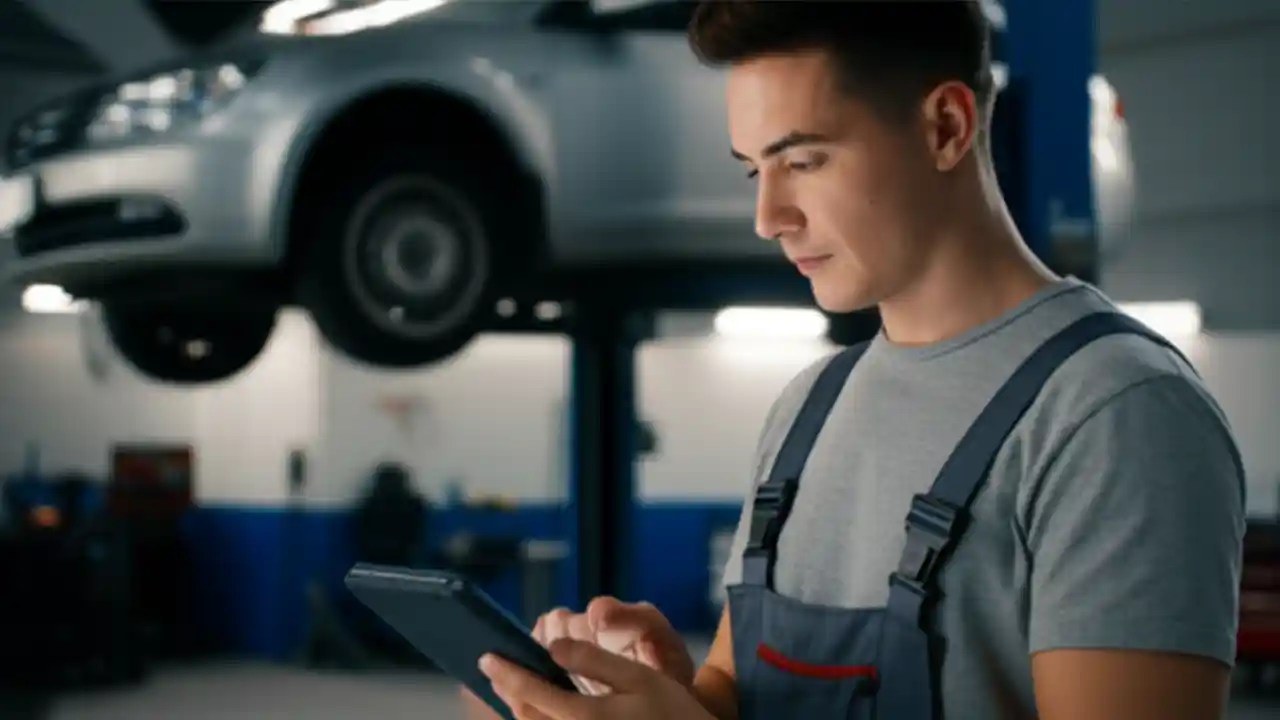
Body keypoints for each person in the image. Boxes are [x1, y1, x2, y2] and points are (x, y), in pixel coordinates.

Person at [473, 2, 1246, 719]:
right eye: (753, 170)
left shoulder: (1114, 415)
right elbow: (739, 695)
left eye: (803, 161)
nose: (767, 217)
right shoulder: (809, 408)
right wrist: (667, 691)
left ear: (946, 126)